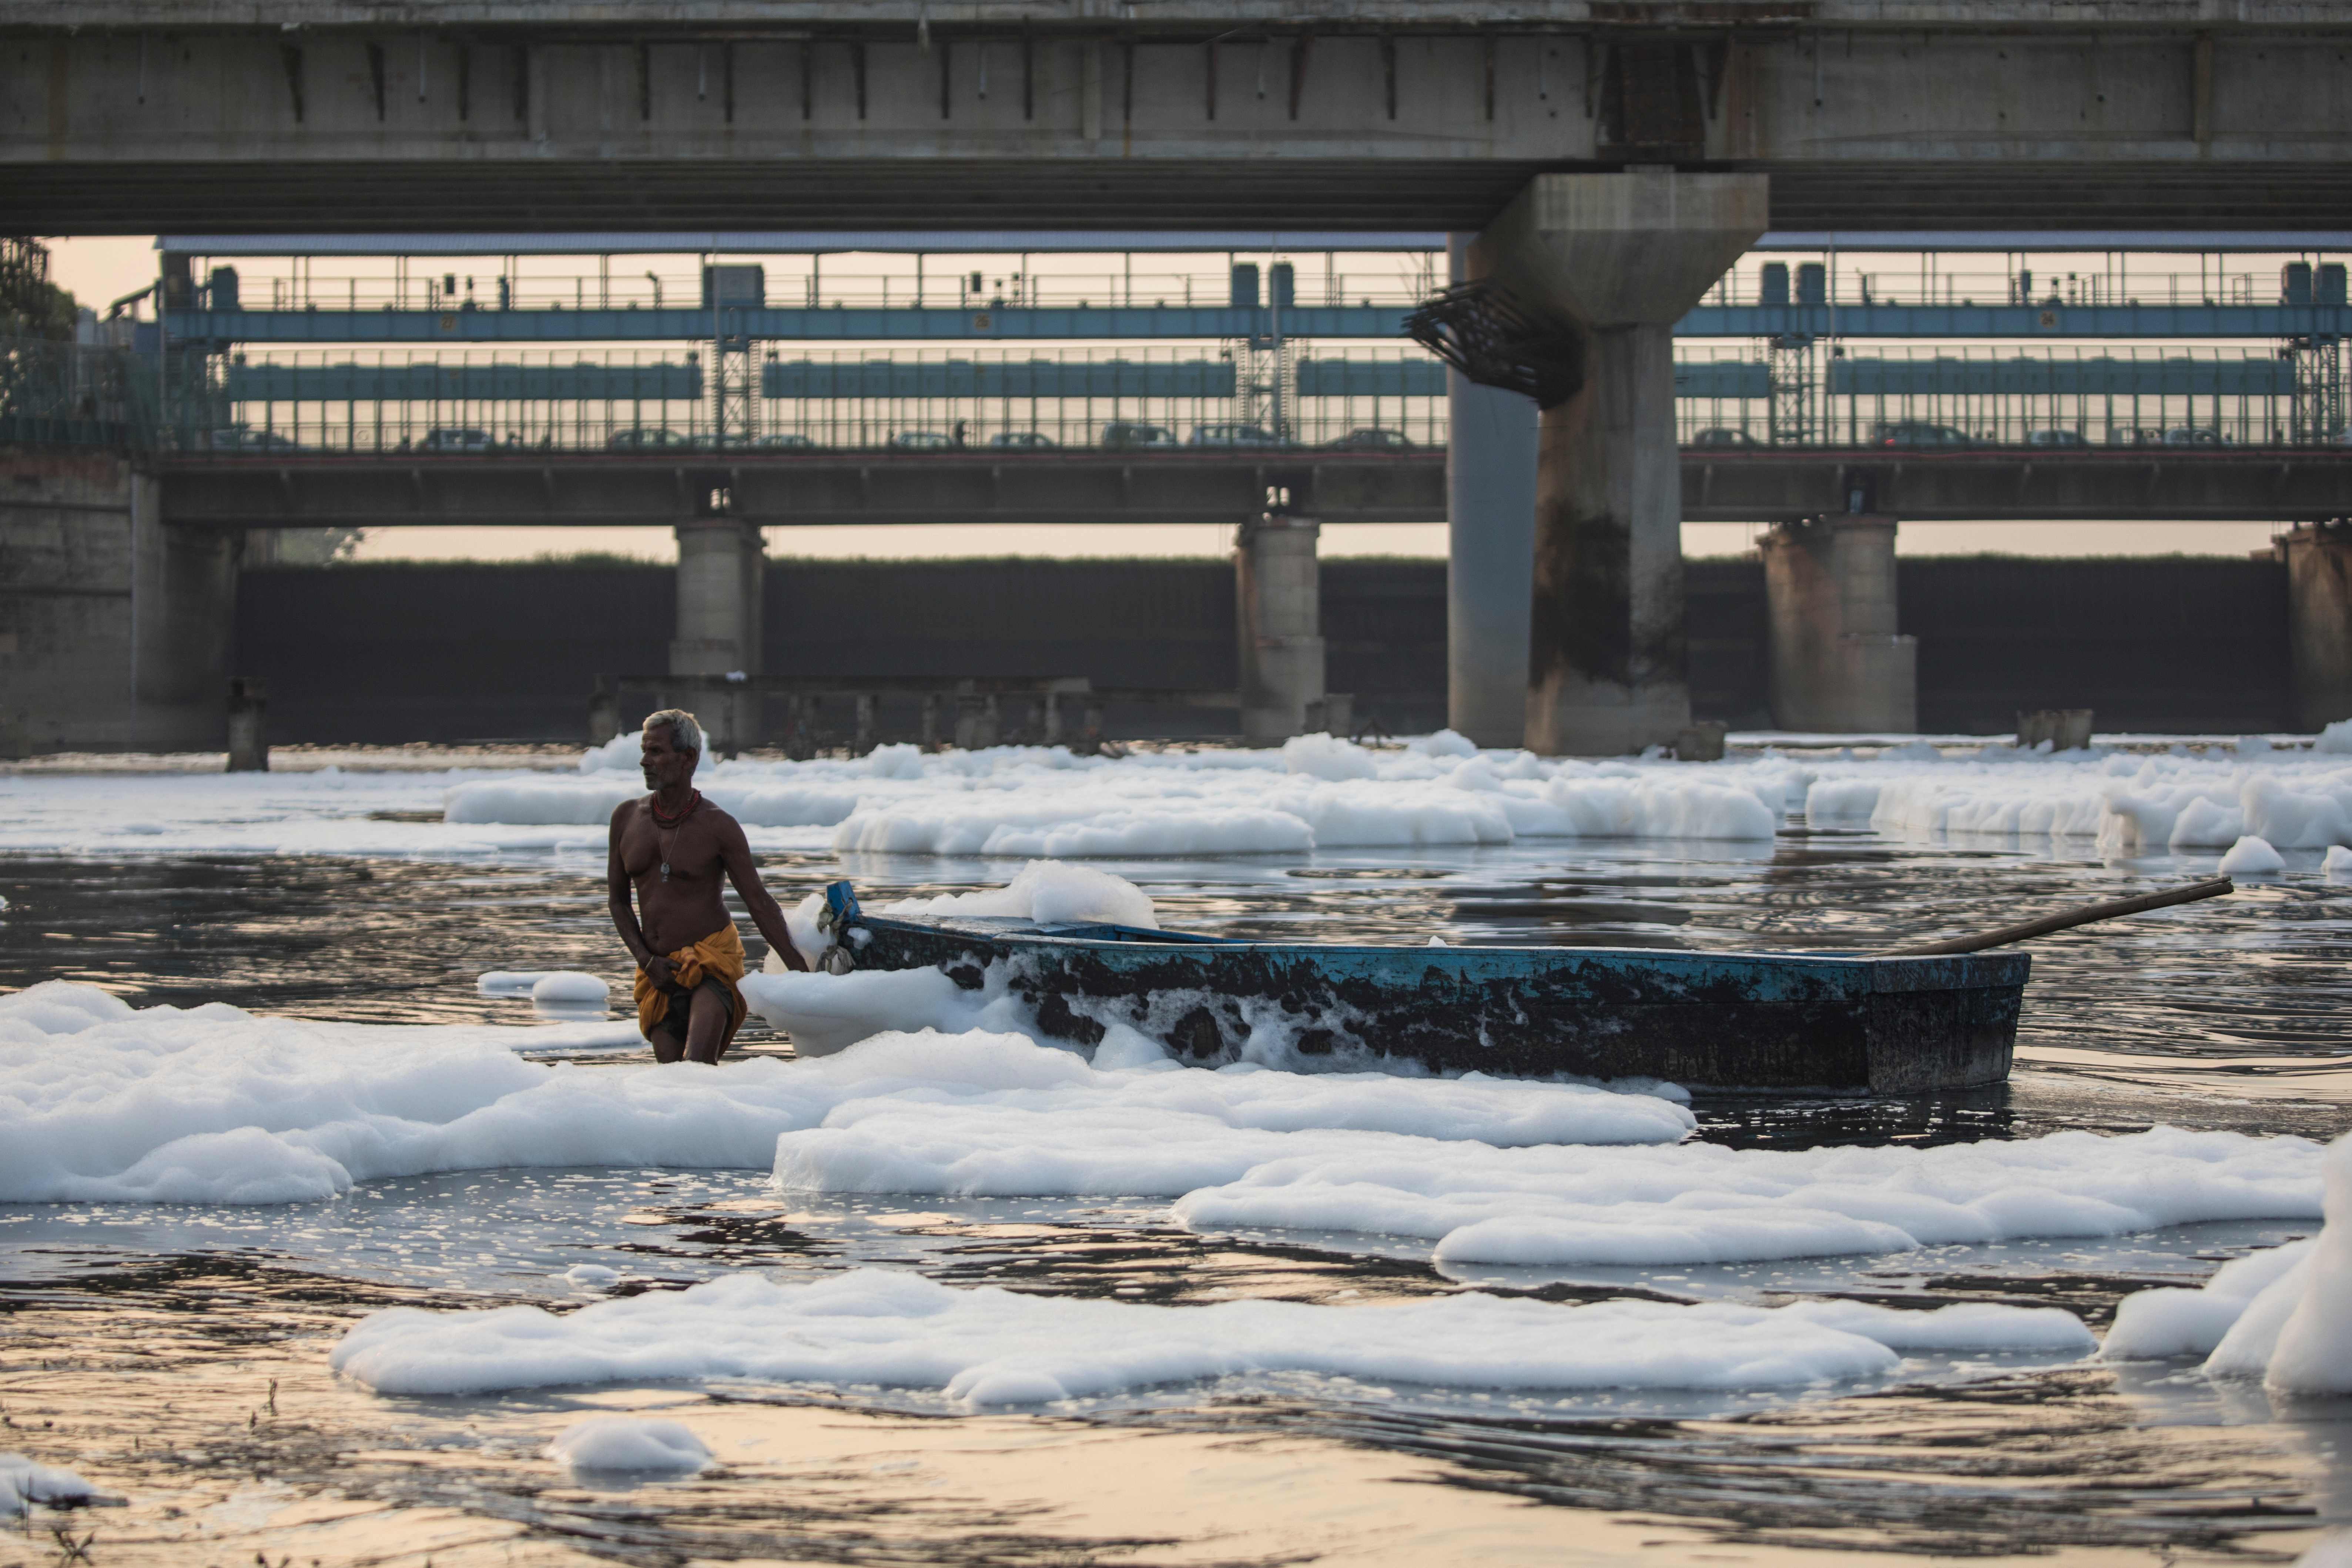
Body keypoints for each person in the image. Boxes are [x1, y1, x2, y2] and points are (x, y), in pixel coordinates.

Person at [607, 708, 807, 1063]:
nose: (644, 761)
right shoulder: (625, 818)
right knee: (670, 1080)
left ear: (688, 758)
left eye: (656, 752)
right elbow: (619, 902)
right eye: (644, 751)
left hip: (713, 962)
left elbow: (758, 902)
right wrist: (647, 960)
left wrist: (803, 974)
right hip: (657, 970)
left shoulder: (718, 826)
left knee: (698, 1068)